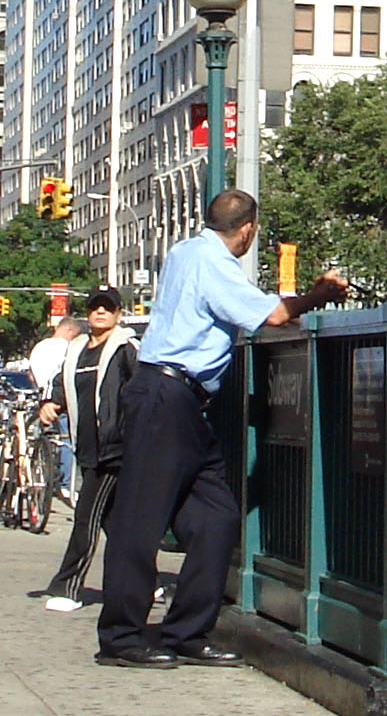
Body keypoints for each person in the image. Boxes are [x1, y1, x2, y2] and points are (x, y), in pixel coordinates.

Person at [95, 190, 346, 670]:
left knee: (216, 518)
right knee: (141, 521)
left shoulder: (186, 251)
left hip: (181, 402)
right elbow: (272, 316)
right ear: (248, 228)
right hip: (167, 397)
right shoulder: (213, 264)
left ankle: (187, 632)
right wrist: (320, 294)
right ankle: (121, 637)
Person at [38, 287, 138, 611]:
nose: (100, 312)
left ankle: (68, 586)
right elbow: (62, 385)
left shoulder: (126, 349)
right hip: (88, 448)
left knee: (86, 517)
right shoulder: (77, 350)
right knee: (115, 523)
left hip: (117, 449)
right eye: (95, 307)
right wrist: (51, 403)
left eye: (107, 308)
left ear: (119, 313)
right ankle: (141, 583)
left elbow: (145, 391)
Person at [28, 315, 84, 503]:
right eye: (74, 335)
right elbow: (66, 375)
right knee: (67, 441)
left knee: (42, 440)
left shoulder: (39, 347)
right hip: (60, 401)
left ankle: (41, 475)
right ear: (69, 331)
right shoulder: (66, 348)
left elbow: (32, 375)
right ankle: (65, 485)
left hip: (41, 400)